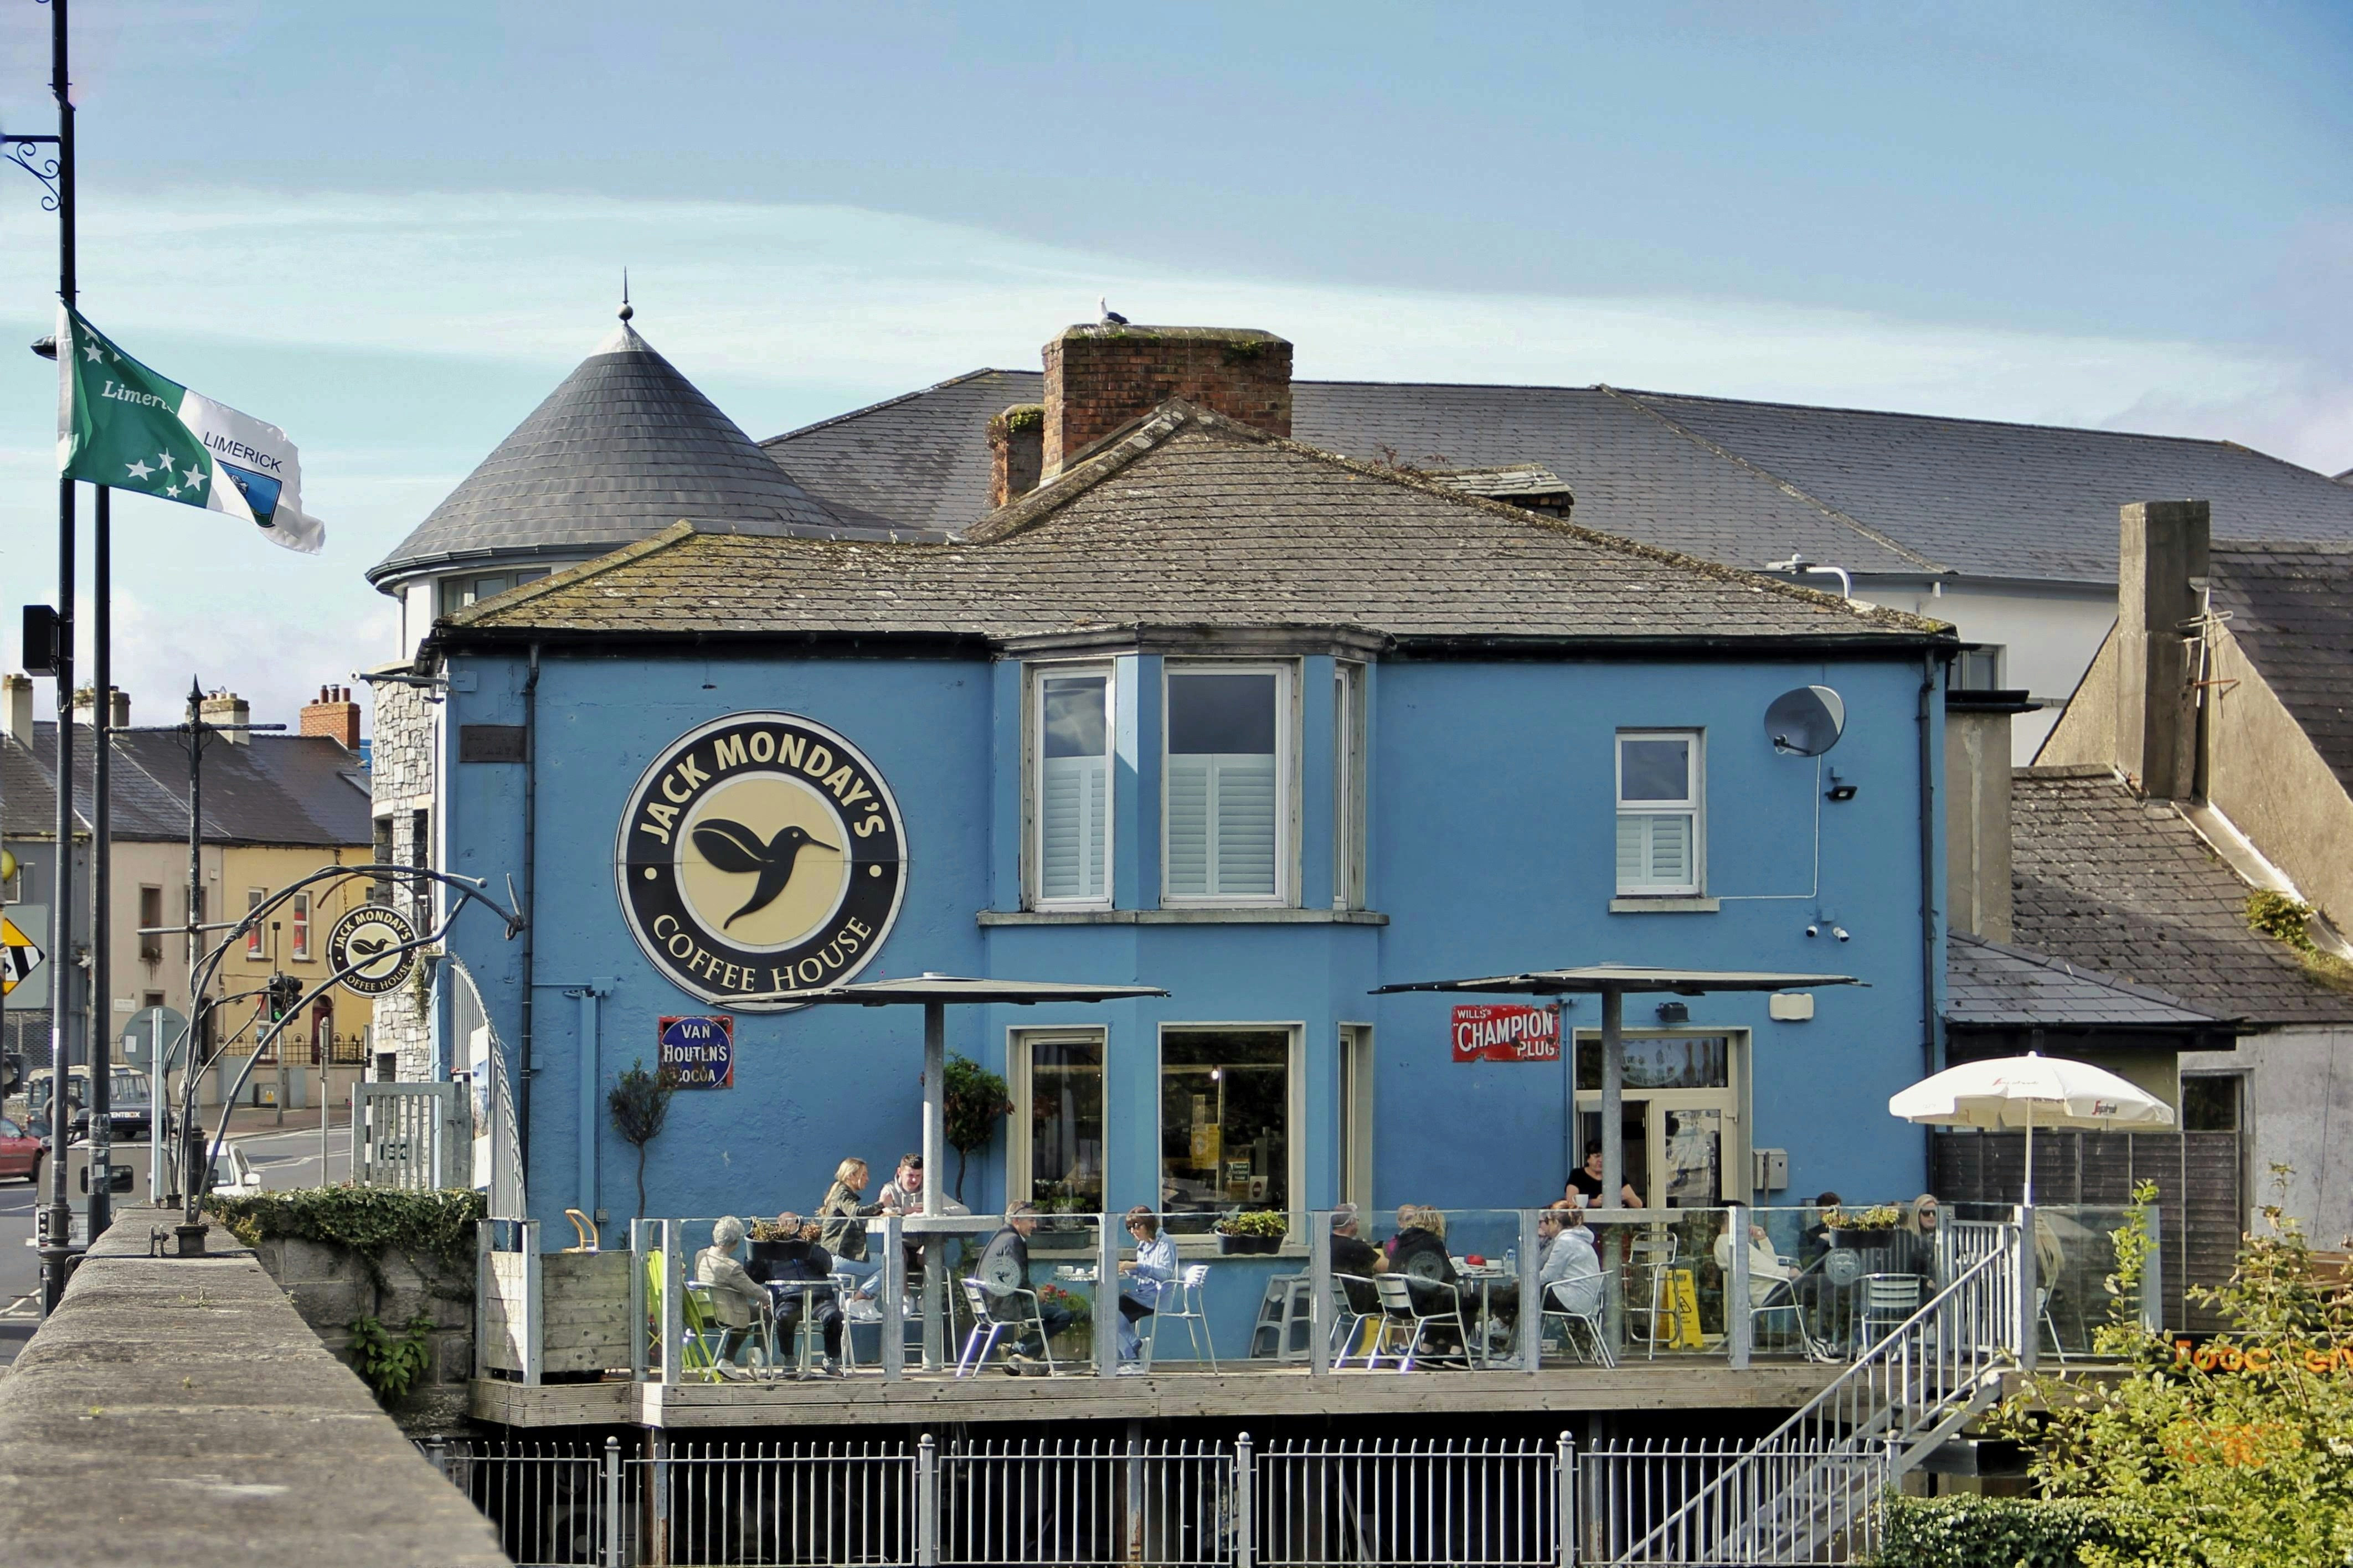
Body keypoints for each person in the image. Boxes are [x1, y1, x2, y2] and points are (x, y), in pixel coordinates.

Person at [977, 1202, 1069, 1374]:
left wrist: (1033, 1292)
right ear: (1017, 1221)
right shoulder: (1013, 1240)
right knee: (1063, 1316)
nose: (1035, 1225)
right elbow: (1017, 1278)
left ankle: (1023, 1360)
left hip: (992, 1303)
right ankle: (1018, 1350)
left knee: (1044, 1313)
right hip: (1004, 1307)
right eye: (1032, 1220)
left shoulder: (1001, 1237)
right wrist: (1036, 1292)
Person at [759, 1211, 846, 1374]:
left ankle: (832, 1360)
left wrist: (807, 1246)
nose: (789, 1227)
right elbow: (756, 1276)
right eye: (784, 1224)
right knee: (785, 1316)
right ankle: (789, 1360)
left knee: (833, 1316)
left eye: (793, 1223)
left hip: (820, 1298)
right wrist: (756, 1254)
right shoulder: (772, 1252)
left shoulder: (809, 1245)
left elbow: (827, 1265)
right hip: (789, 1298)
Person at [693, 1215, 769, 1371]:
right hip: (724, 1314)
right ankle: (753, 1357)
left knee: (747, 1313)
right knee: (764, 1314)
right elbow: (754, 1291)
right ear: (736, 1242)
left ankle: (729, 1361)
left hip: (702, 1312)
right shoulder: (731, 1267)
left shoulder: (701, 1256)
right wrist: (767, 1298)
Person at [1113, 1206, 1179, 1370]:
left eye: (1136, 1226)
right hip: (1143, 1294)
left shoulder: (1165, 1243)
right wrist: (1128, 1270)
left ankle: (1132, 1359)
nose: (1133, 1231)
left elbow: (1164, 1273)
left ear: (1149, 1224)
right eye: (1130, 1228)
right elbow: (1144, 1272)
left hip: (1156, 1296)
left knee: (1109, 1313)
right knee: (1107, 1311)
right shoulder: (1143, 1245)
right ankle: (1134, 1346)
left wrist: (1136, 1265)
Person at [818, 1157, 885, 1297]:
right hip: (837, 1257)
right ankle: (860, 1299)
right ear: (851, 1176)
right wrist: (881, 1204)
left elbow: (855, 1216)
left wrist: (880, 1213)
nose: (868, 1179)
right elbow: (856, 1213)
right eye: (864, 1175)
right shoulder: (843, 1194)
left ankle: (863, 1300)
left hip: (833, 1257)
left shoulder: (841, 1194)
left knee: (888, 1263)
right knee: (892, 1263)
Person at [1713, 1217, 1796, 1308]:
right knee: (1812, 1286)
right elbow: (1748, 1267)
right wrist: (1787, 1273)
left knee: (1811, 1283)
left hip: (1778, 1286)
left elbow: (1772, 1265)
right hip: (1769, 1292)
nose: (1749, 1224)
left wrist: (1763, 1240)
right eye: (1744, 1218)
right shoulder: (1725, 1241)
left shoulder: (1739, 1242)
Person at [1566, 1142, 1643, 1209]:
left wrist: (1624, 1197)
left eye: (1605, 1157)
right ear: (1588, 1158)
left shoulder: (1615, 1176)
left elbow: (1638, 1205)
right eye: (1597, 1156)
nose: (1601, 1160)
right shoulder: (1577, 1175)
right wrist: (1594, 1202)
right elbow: (1570, 1203)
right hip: (1585, 1221)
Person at [1898, 1194, 1942, 1282]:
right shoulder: (1908, 1239)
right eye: (1926, 1212)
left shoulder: (1945, 1238)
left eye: (1935, 1212)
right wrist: (1926, 1283)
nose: (1931, 1216)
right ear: (1917, 1214)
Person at [1799, 1192, 1843, 1263]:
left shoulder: (1848, 1232)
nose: (1834, 1215)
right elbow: (1807, 1265)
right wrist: (1821, 1242)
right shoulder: (1808, 1236)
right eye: (1829, 1211)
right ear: (1819, 1212)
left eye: (1837, 1210)